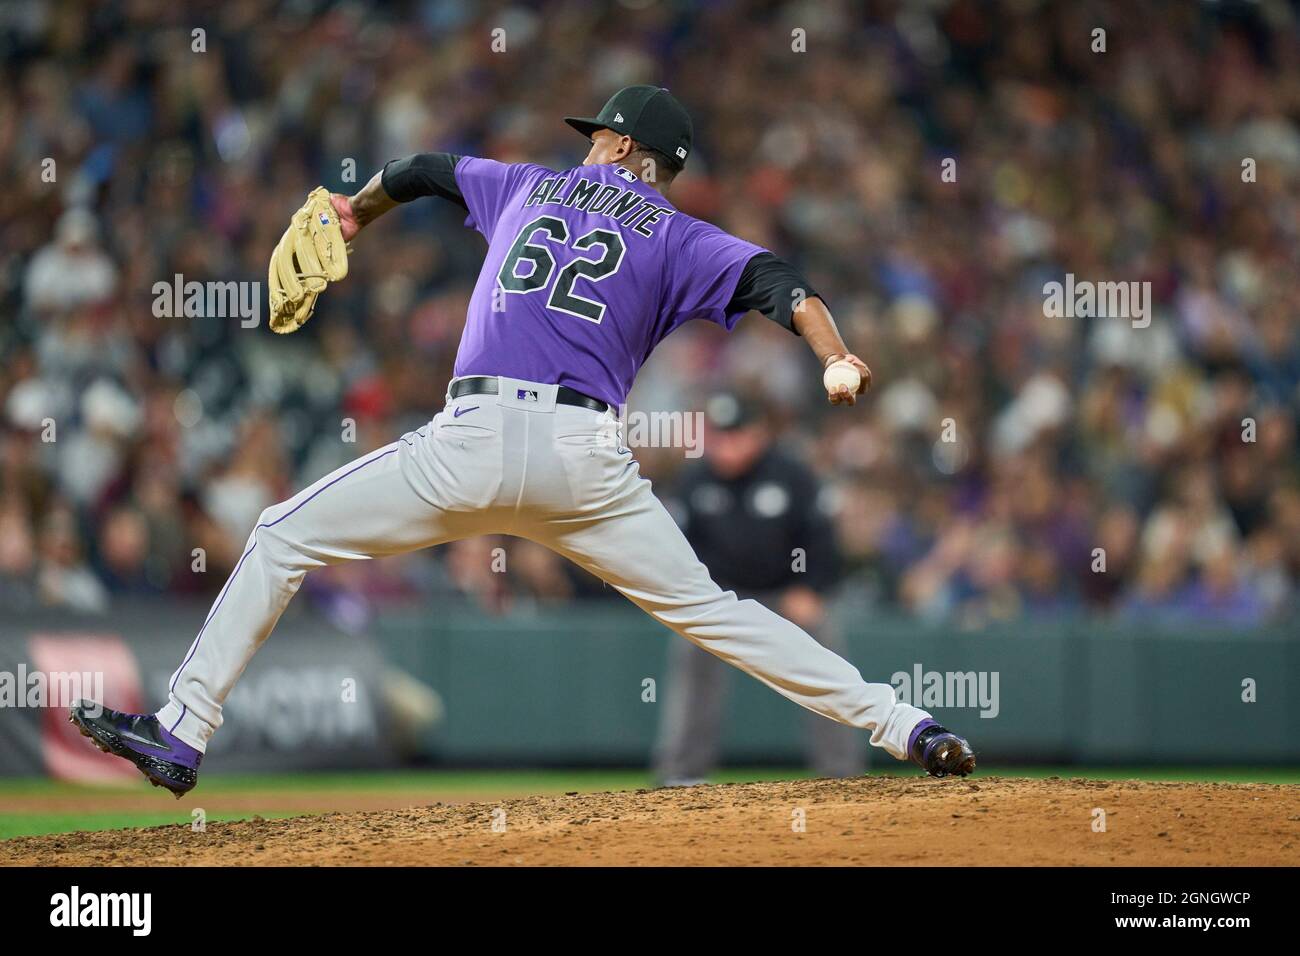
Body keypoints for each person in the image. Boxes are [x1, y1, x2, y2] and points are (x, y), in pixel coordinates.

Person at [71, 85, 974, 796]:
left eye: (600, 134)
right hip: (586, 465)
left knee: (281, 534)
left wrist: (355, 211)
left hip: (477, 437)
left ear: (623, 146)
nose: (588, 143)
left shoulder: (525, 183)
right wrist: (836, 357)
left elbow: (422, 167)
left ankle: (184, 731)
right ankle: (905, 725)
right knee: (718, 614)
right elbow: (786, 285)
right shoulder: (683, 236)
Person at [654, 392, 863, 784]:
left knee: (825, 651)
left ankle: (840, 772)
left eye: (737, 434)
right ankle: (681, 775)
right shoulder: (694, 481)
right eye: (720, 435)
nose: (727, 445)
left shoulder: (792, 476)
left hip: (785, 595)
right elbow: (672, 545)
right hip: (719, 599)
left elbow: (822, 538)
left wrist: (812, 588)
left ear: (759, 433)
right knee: (691, 654)